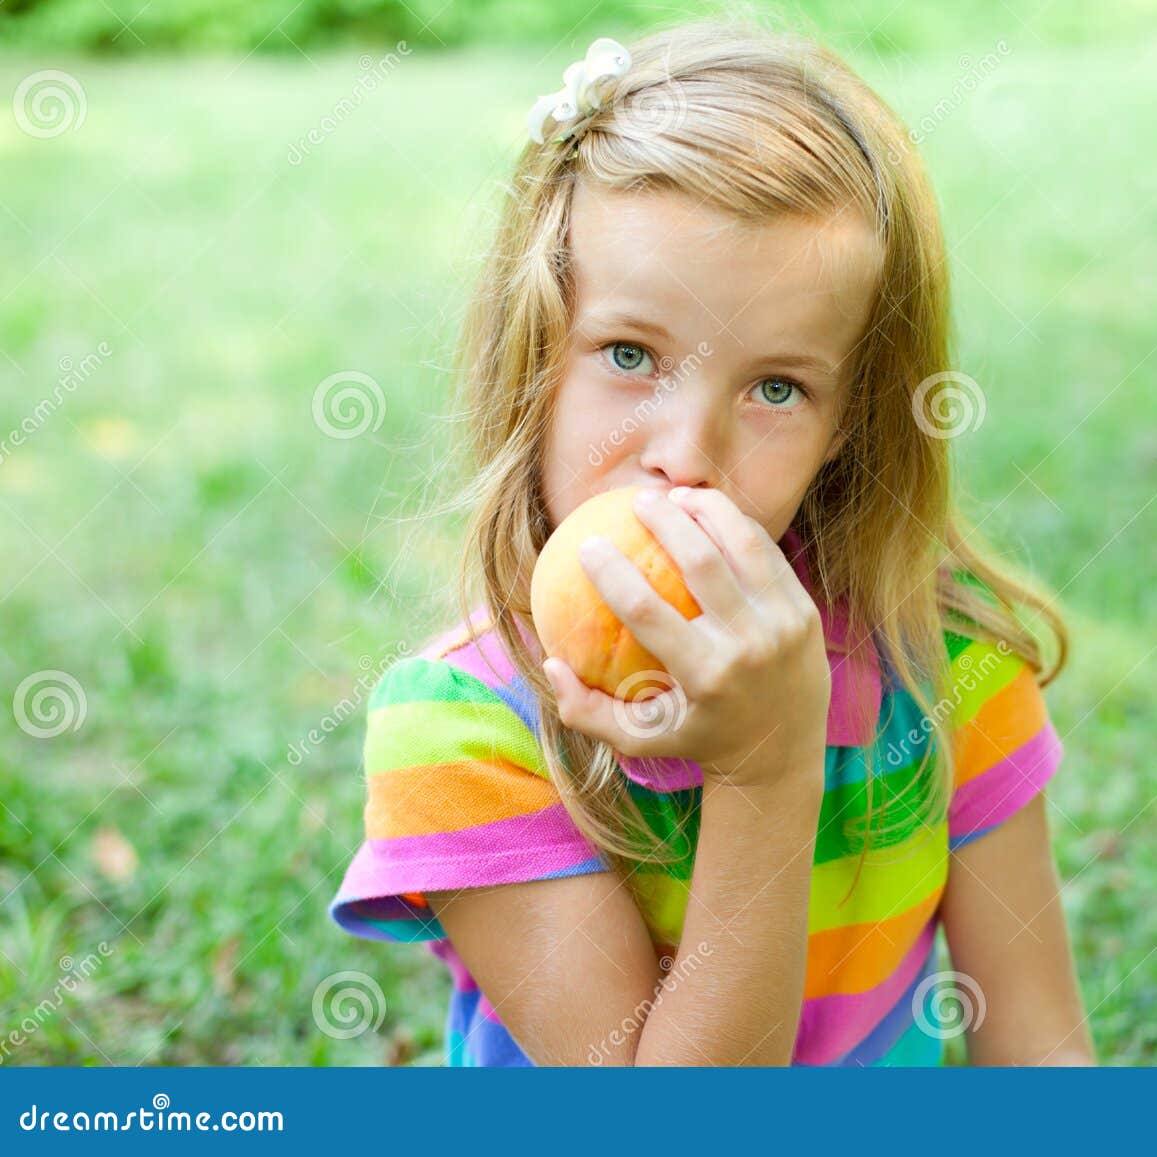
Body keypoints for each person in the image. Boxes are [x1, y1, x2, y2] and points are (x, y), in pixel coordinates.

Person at [328, 18, 1095, 1067]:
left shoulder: (948, 672)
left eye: (777, 387)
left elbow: (1041, 1055)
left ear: (847, 428)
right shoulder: (465, 728)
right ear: (535, 360)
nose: (686, 458)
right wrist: (765, 779)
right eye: (630, 353)